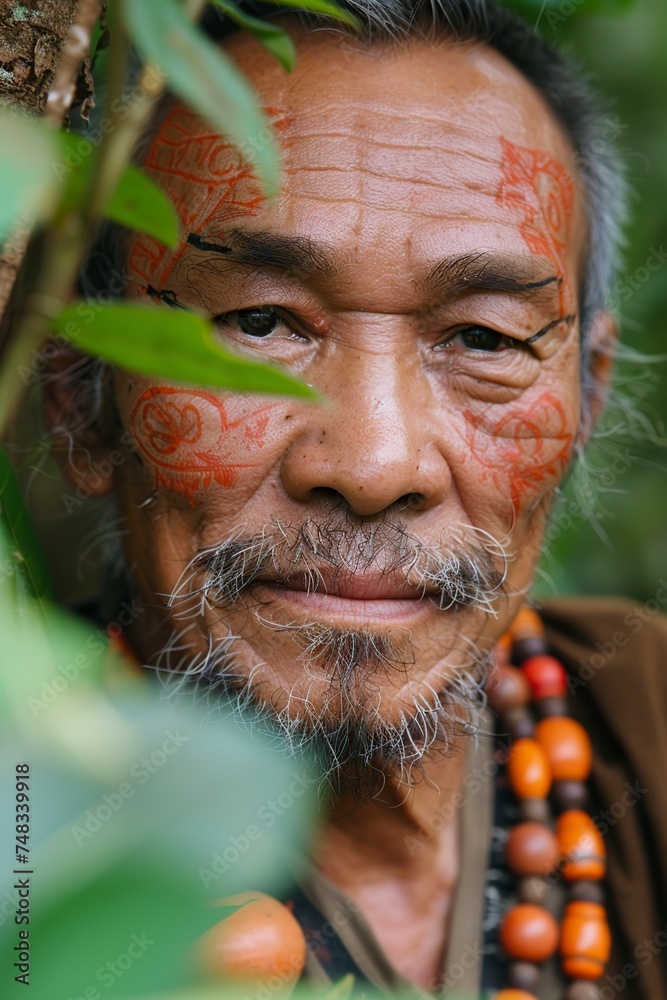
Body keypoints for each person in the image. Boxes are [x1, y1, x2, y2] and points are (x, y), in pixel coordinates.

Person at [42, 2, 667, 998]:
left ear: (585, 394)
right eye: (257, 323)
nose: (374, 464)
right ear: (78, 385)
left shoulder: (644, 720)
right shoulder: (27, 826)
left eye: (483, 339)